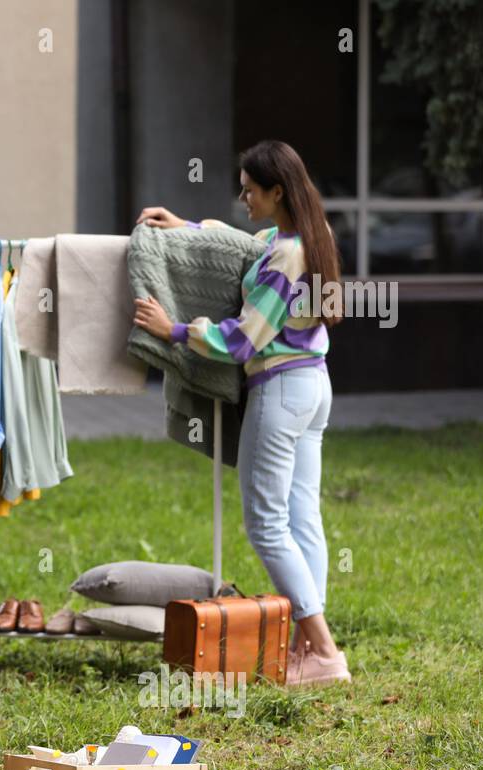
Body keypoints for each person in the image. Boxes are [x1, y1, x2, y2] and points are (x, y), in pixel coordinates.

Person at [132, 139, 351, 688]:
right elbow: (244, 245)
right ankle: (311, 645)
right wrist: (187, 227)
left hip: (279, 390)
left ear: (276, 191)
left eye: (250, 189)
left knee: (266, 523)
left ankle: (322, 649)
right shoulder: (306, 236)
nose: (242, 196)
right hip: (312, 386)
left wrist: (174, 331)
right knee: (302, 518)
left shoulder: (285, 257)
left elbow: (246, 339)